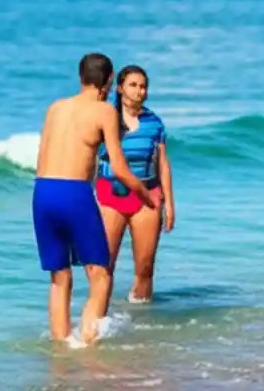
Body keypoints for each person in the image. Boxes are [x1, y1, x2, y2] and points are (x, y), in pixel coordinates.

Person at [33, 53, 154, 345]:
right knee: (99, 274)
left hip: (42, 192)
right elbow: (120, 169)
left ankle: (61, 346)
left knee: (59, 276)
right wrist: (144, 193)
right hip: (74, 193)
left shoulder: (55, 108)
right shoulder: (104, 112)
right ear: (110, 81)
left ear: (80, 78)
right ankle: (87, 344)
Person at [97, 65, 175, 313]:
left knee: (145, 265)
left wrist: (169, 203)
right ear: (119, 88)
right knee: (104, 263)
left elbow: (162, 164)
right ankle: (100, 317)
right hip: (111, 195)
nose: (139, 91)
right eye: (133, 85)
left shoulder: (154, 123)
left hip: (148, 196)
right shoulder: (107, 119)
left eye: (143, 86)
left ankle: (141, 322)